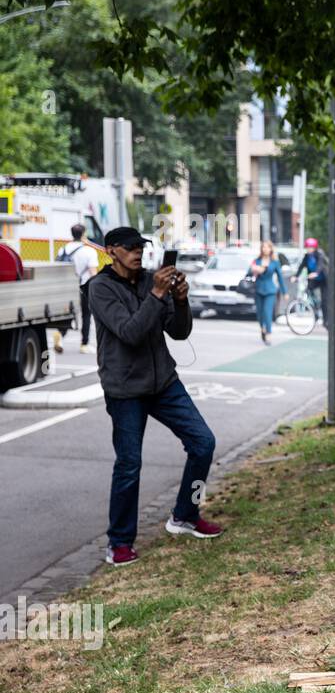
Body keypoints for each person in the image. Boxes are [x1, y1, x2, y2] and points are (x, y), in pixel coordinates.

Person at [87, 226, 223, 567]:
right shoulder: (99, 288)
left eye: (142, 246)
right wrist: (158, 295)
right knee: (129, 464)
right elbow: (130, 333)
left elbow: (179, 332)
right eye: (131, 247)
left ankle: (185, 515)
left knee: (203, 442)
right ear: (111, 251)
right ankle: (119, 542)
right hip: (125, 389)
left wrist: (180, 299)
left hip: (163, 382)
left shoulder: (151, 281)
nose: (138, 252)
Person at [54, 224, 101, 354]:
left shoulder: (63, 249)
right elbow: (93, 272)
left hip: (68, 288)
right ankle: (84, 344)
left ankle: (60, 334)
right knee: (86, 314)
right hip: (84, 287)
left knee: (69, 313)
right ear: (83, 234)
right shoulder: (89, 251)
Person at [249, 240, 288, 345]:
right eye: (263, 247)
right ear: (261, 249)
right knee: (260, 314)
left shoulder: (274, 262)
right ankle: (262, 328)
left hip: (270, 291)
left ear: (271, 249)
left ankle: (269, 333)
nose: (265, 249)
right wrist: (254, 269)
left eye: (267, 247)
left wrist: (285, 292)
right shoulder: (256, 261)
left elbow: (280, 278)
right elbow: (248, 273)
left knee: (267, 312)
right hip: (258, 290)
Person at [295, 237, 327, 324]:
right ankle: (315, 312)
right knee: (308, 291)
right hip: (314, 280)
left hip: (323, 279)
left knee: (325, 300)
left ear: (314, 248)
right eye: (307, 247)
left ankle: (326, 319)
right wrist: (295, 276)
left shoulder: (319, 254)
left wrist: (316, 273)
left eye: (310, 247)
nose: (309, 249)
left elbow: (320, 265)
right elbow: (301, 267)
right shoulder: (307, 256)